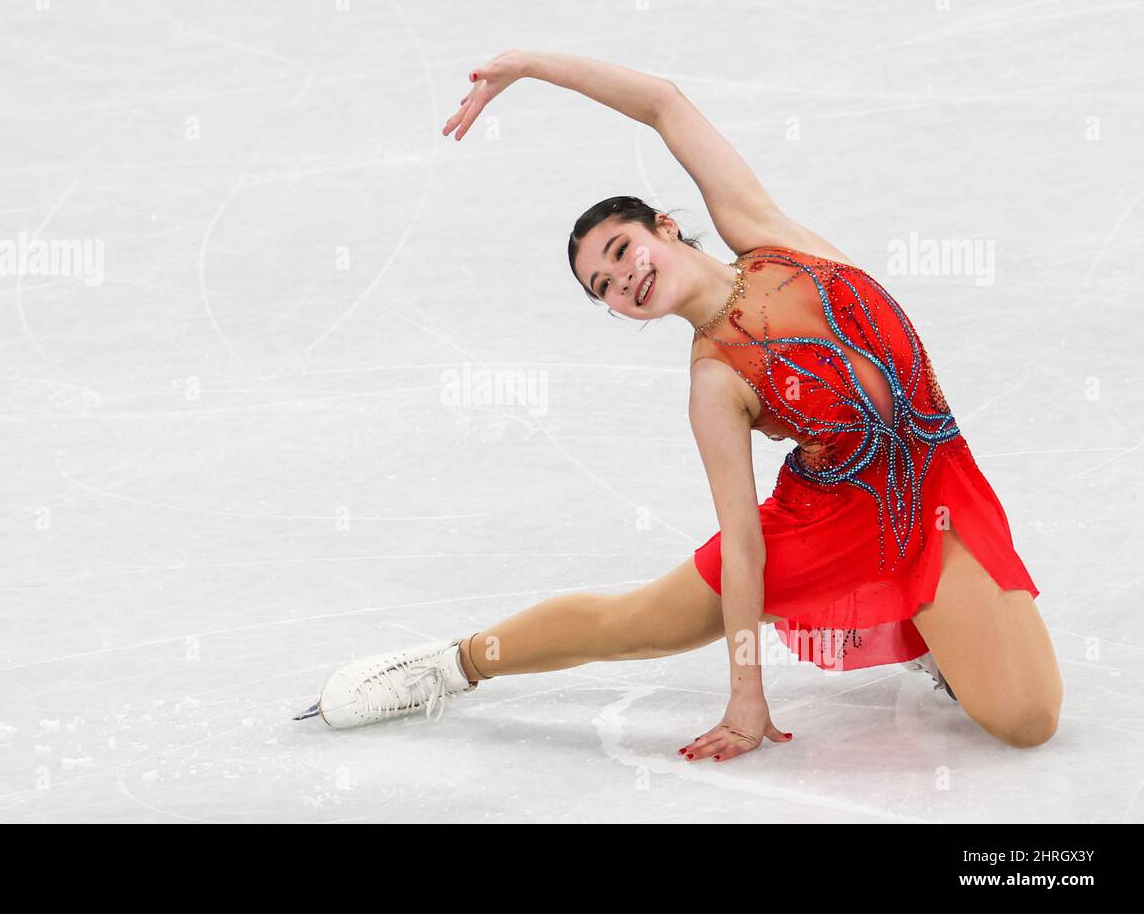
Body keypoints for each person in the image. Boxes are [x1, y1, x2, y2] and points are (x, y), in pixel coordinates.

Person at [296, 50, 1062, 762]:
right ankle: (452, 664)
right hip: (827, 523)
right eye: (603, 288)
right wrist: (745, 699)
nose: (621, 280)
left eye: (621, 252)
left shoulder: (765, 234)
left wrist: (528, 65)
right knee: (636, 626)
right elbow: (742, 547)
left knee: (1029, 722)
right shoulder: (713, 383)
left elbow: (662, 103)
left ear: (663, 225)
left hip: (936, 490)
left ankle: (924, 628)